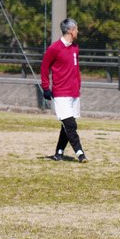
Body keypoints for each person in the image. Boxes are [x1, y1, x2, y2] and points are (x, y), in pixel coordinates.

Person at [40, 18, 88, 163]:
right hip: (61, 93)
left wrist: (78, 85)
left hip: (74, 93)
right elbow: (44, 67)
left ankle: (59, 152)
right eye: (76, 29)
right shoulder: (54, 48)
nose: (78, 31)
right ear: (71, 31)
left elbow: (76, 69)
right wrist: (45, 87)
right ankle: (80, 154)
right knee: (71, 125)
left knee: (67, 126)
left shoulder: (75, 48)